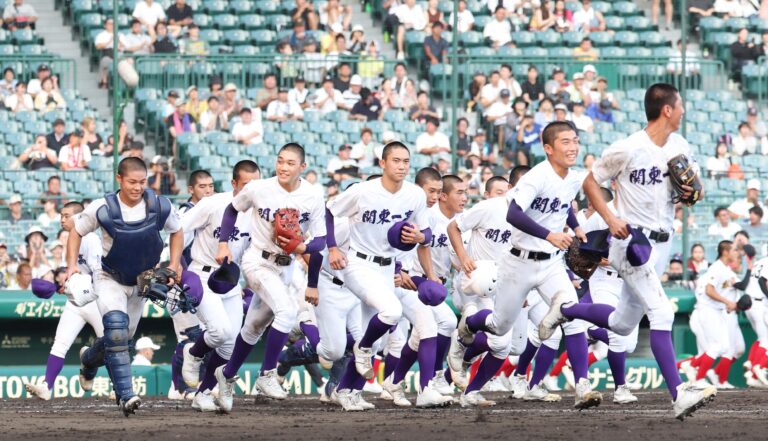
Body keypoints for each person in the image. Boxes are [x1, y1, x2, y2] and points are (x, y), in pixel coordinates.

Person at [543, 83, 717, 419]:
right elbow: (589, 181)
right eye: (679, 105)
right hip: (632, 243)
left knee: (622, 325)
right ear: (667, 109)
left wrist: (695, 191)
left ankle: (567, 310)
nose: (682, 110)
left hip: (664, 240)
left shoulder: (679, 144)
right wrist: (610, 217)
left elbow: (693, 188)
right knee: (662, 312)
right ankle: (679, 393)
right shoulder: (628, 147)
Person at [450, 121, 598, 408]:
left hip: (551, 264)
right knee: (498, 327)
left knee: (574, 318)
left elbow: (563, 203)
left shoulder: (570, 177)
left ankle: (583, 386)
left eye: (575, 140)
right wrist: (550, 234)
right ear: (548, 148)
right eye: (565, 141)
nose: (572, 146)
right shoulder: (534, 178)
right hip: (518, 264)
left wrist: (577, 228)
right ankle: (468, 326)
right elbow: (514, 214)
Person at [212, 144, 326, 410]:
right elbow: (232, 210)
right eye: (280, 161)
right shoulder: (259, 188)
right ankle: (267, 375)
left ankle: (226, 375)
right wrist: (223, 243)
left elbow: (321, 240)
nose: (283, 167)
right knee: (286, 312)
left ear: (302, 167)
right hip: (258, 261)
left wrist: (304, 250)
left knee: (253, 327)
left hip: (286, 267)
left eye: (290, 163)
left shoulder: (312, 196)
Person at [322, 142, 435, 408]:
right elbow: (328, 210)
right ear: (382, 163)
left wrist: (420, 236)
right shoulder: (363, 191)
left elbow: (426, 233)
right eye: (395, 160)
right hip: (358, 264)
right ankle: (360, 349)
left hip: (387, 267)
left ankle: (348, 391)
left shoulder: (415, 195)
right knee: (391, 312)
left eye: (406, 161)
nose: (402, 166)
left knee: (377, 340)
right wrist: (333, 247)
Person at [72, 157, 184, 416]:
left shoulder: (159, 204)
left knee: (121, 339)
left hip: (143, 280)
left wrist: (175, 265)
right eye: (132, 182)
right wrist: (71, 267)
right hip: (109, 277)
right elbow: (76, 231)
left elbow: (177, 231)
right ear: (119, 179)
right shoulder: (103, 207)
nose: (137, 187)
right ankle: (126, 396)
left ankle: (88, 360)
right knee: (116, 332)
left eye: (142, 182)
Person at [178, 162, 262, 412]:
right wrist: (175, 263)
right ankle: (192, 354)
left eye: (256, 184)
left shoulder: (259, 211)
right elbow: (179, 228)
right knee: (220, 331)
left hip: (230, 281)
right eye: (247, 184)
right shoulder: (213, 203)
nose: (252, 190)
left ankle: (202, 393)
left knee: (229, 345)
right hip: (203, 274)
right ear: (234, 184)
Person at [23, 202, 102, 403]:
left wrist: (77, 288)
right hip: (75, 303)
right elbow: (73, 274)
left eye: (66, 215)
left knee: (111, 345)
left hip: (95, 301)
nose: (62, 219)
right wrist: (62, 286)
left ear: (80, 217)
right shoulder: (70, 239)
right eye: (61, 215)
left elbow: (98, 276)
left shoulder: (91, 239)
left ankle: (112, 384)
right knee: (60, 344)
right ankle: (46, 386)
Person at [687, 240, 749, 389]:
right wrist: (727, 301)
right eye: (733, 250)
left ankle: (691, 366)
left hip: (717, 310)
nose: (736, 252)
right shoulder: (717, 268)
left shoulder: (725, 269)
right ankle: (698, 378)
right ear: (725, 252)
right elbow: (709, 290)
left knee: (725, 346)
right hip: (707, 310)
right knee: (717, 346)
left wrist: (727, 304)